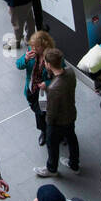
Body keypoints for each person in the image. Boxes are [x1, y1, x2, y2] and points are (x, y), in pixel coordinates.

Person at [33, 48, 81, 178]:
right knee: (72, 139)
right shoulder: (70, 73)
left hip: (57, 122)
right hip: (71, 114)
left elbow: (51, 112)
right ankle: (74, 164)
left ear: (48, 64)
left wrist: (48, 125)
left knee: (52, 145)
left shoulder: (53, 88)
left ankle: (52, 168)